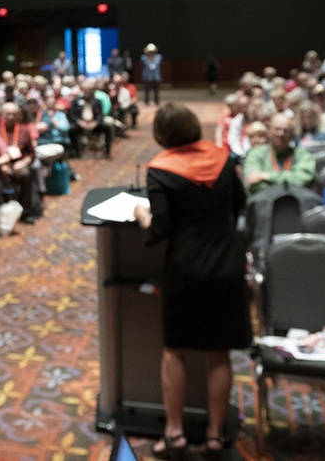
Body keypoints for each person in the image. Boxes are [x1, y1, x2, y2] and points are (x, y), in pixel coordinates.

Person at [133, 103, 249, 460]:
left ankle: (174, 433)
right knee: (219, 352)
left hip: (185, 269)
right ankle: (215, 436)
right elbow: (240, 204)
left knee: (175, 349)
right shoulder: (225, 160)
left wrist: (142, 216)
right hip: (227, 265)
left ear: (163, 136)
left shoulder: (161, 169)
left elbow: (161, 229)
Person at [241, 113, 315, 195]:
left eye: (286, 130)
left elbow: (303, 179)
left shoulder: (302, 155)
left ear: (292, 135)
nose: (281, 134)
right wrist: (289, 184)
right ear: (269, 132)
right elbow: (252, 182)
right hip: (263, 204)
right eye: (277, 129)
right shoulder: (256, 153)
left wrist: (266, 176)